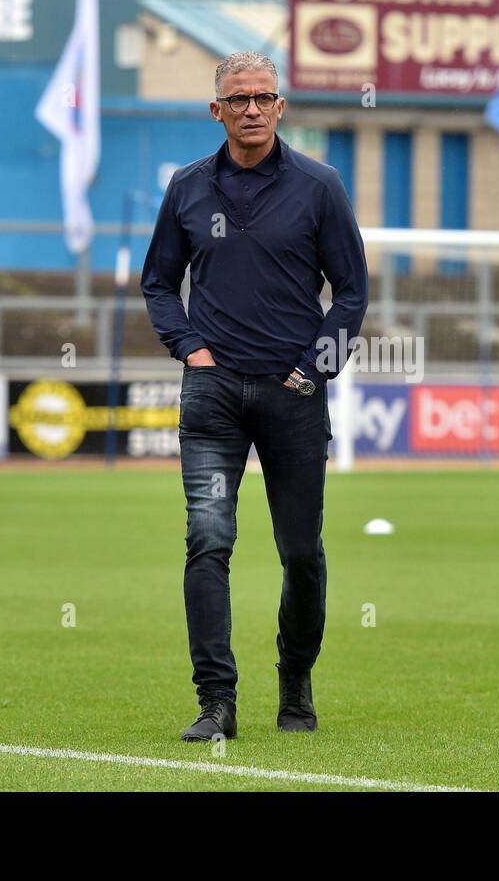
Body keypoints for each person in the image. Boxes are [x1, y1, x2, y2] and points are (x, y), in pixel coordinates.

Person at [141, 52, 368, 741]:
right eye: (237, 99)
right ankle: (216, 702)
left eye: (263, 97)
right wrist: (192, 350)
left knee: (301, 550)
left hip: (293, 399)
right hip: (211, 400)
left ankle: (295, 682)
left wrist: (314, 370)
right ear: (216, 110)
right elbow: (157, 283)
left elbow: (352, 291)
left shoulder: (319, 186)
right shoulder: (185, 189)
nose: (250, 108)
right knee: (207, 541)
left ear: (280, 106)